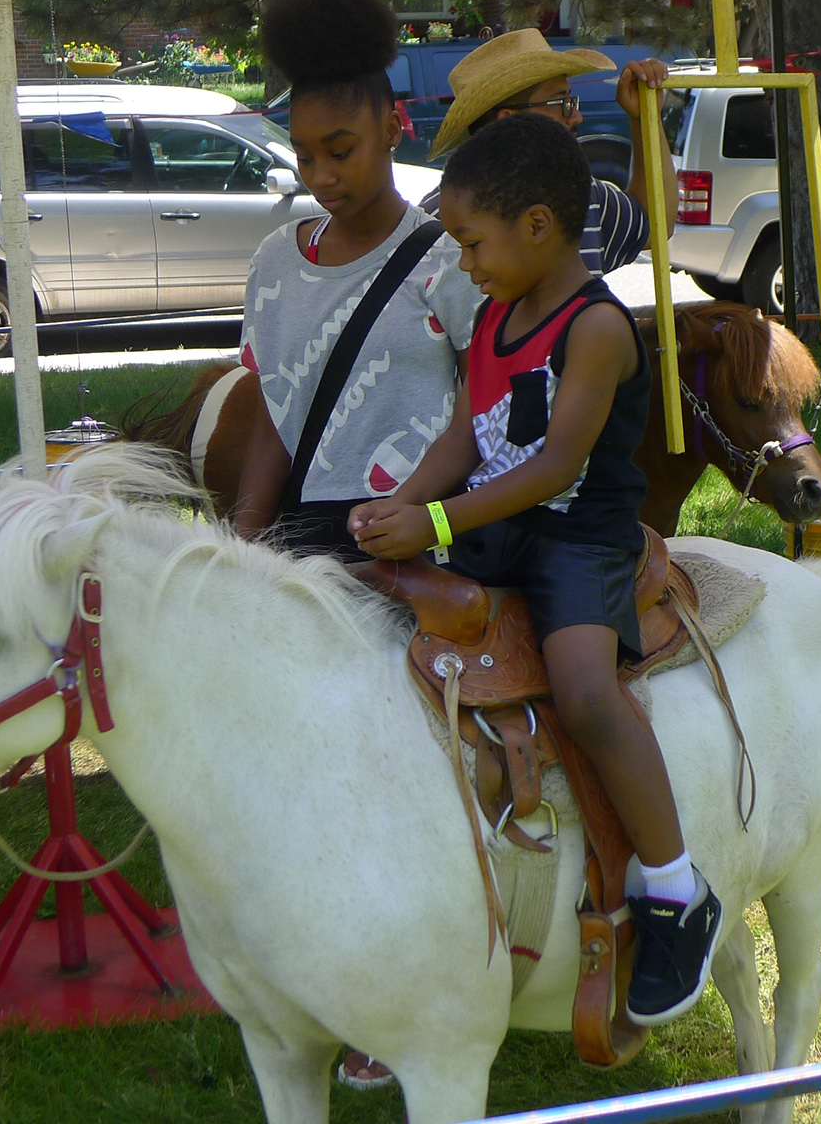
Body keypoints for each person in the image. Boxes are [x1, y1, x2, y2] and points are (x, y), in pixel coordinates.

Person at [351, 113, 724, 1030]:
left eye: (472, 242)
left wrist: (433, 519)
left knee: (587, 689)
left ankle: (675, 890)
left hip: (576, 539)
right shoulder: (490, 315)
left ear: (536, 226)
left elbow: (558, 466)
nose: (466, 262)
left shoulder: (595, 327)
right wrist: (402, 502)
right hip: (496, 529)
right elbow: (460, 436)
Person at [231, 0, 483, 558]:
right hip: (302, 546)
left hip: (420, 534)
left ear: (393, 130)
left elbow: (481, 413)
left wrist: (420, 513)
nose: (320, 176)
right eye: (305, 156)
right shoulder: (274, 261)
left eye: (341, 152)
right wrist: (242, 548)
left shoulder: (453, 260)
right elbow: (275, 416)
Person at [417, 29, 673, 278]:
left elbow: (657, 225)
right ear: (508, 121)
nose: (576, 116)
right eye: (561, 103)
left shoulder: (580, 193)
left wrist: (644, 118)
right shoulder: (441, 223)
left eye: (571, 102)